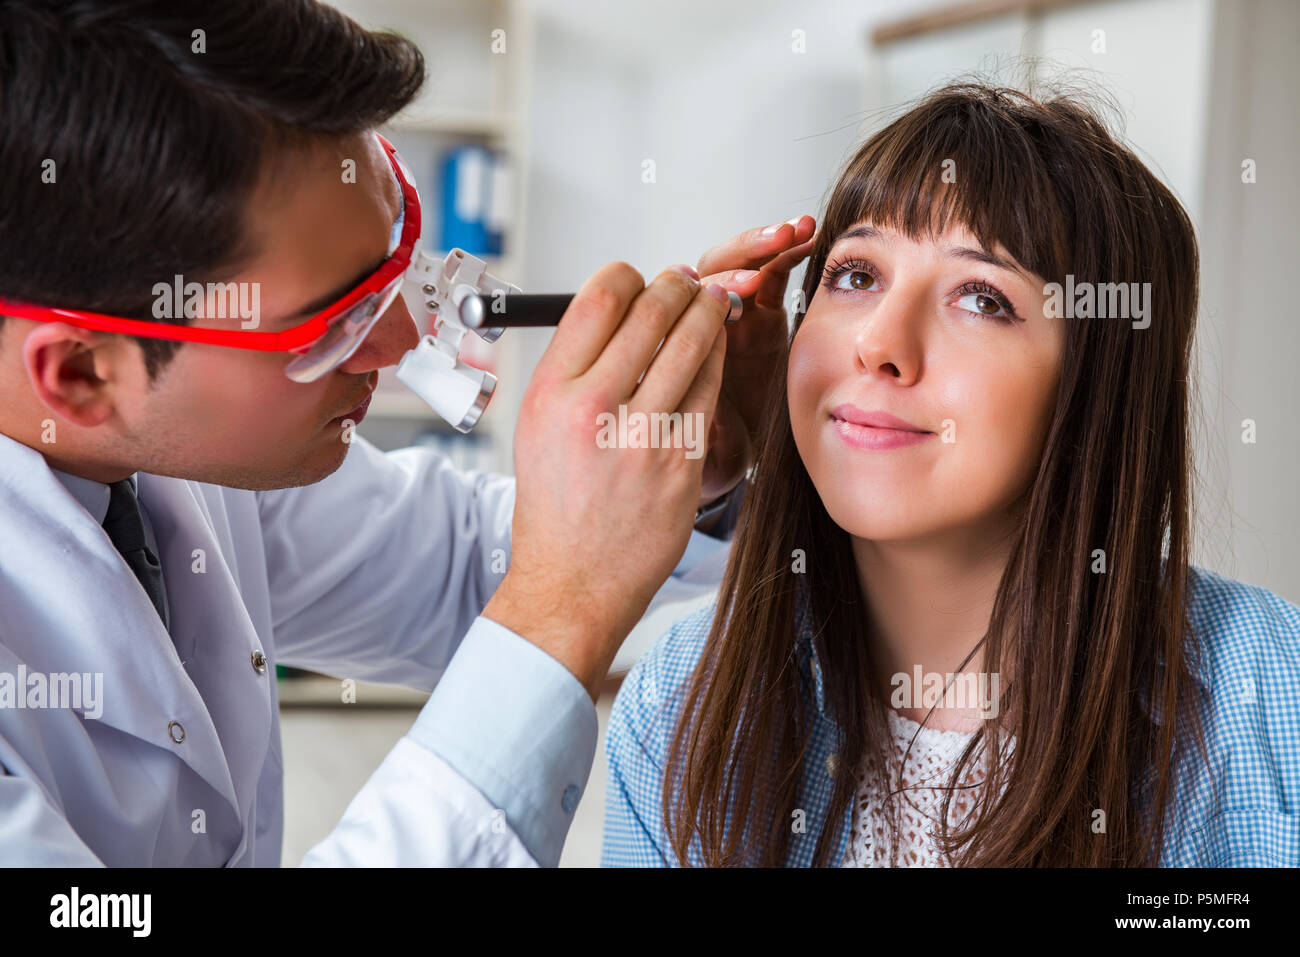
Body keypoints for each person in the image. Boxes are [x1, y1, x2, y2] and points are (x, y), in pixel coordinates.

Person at [0, 0, 816, 866]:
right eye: (338, 320)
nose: (402, 342)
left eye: (392, 263)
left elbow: (458, 562)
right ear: (83, 374)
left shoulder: (176, 450)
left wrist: (697, 467)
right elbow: (538, 589)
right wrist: (562, 613)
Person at [602, 81, 1300, 868]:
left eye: (981, 297)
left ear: (1098, 381)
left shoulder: (1273, 702)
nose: (878, 343)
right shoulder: (678, 703)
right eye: (856, 275)